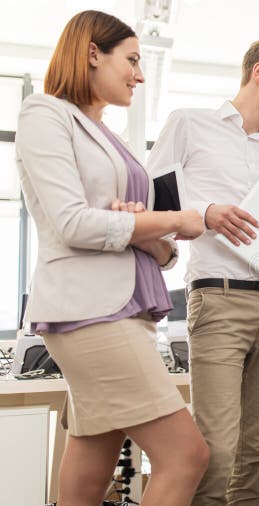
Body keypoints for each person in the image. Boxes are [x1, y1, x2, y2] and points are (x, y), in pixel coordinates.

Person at [15, 10, 208, 506]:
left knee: (92, 461)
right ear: (92, 53)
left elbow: (158, 253)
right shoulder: (45, 113)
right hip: (90, 313)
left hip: (126, 310)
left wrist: (149, 232)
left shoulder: (111, 137)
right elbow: (72, 223)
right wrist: (171, 221)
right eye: (132, 60)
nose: (140, 75)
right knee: (186, 457)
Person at [146, 38, 259, 505]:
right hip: (220, 300)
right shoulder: (188, 125)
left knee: (258, 451)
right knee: (217, 448)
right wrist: (206, 212)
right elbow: (152, 203)